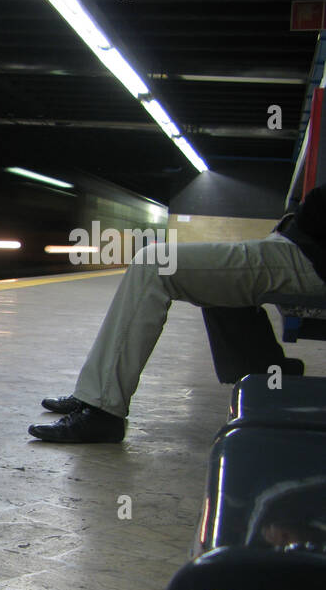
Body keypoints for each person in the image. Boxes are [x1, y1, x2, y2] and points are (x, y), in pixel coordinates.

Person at [31, 184, 326, 442]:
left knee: (155, 262)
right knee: (208, 276)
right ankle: (265, 377)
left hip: (309, 256)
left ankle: (102, 412)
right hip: (296, 248)